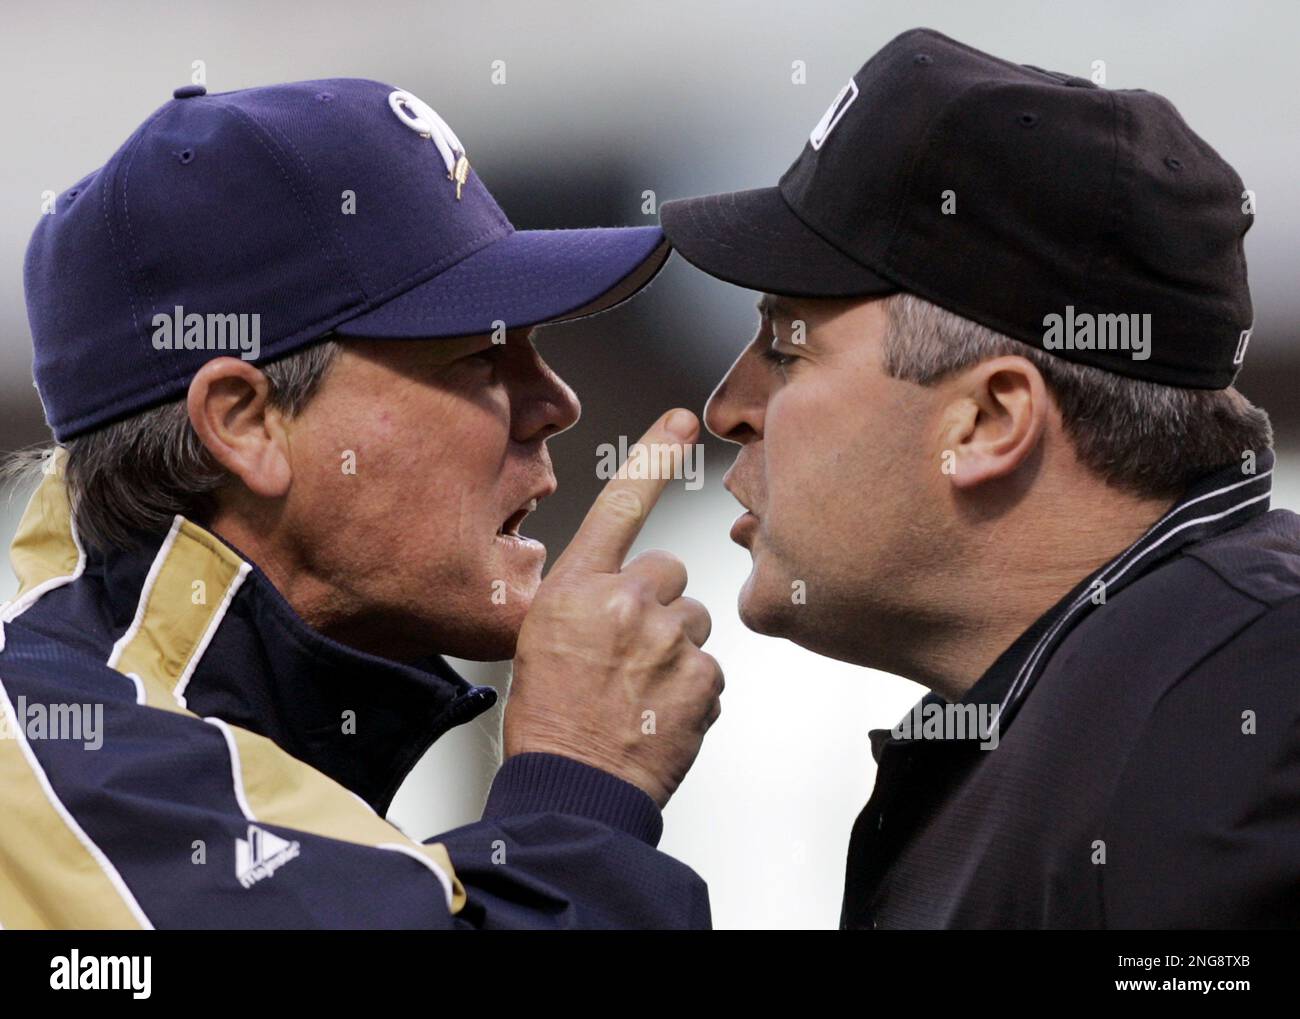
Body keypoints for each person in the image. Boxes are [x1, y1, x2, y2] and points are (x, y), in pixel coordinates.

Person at [0, 77, 720, 929]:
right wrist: (579, 790)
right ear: (247, 423)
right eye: (480, 359)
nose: (555, 403)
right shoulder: (56, 765)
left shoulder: (171, 747)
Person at [660, 28, 1299, 928]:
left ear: (990, 420)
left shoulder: (1246, 710)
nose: (727, 407)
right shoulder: (1124, 692)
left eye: (786, 346)